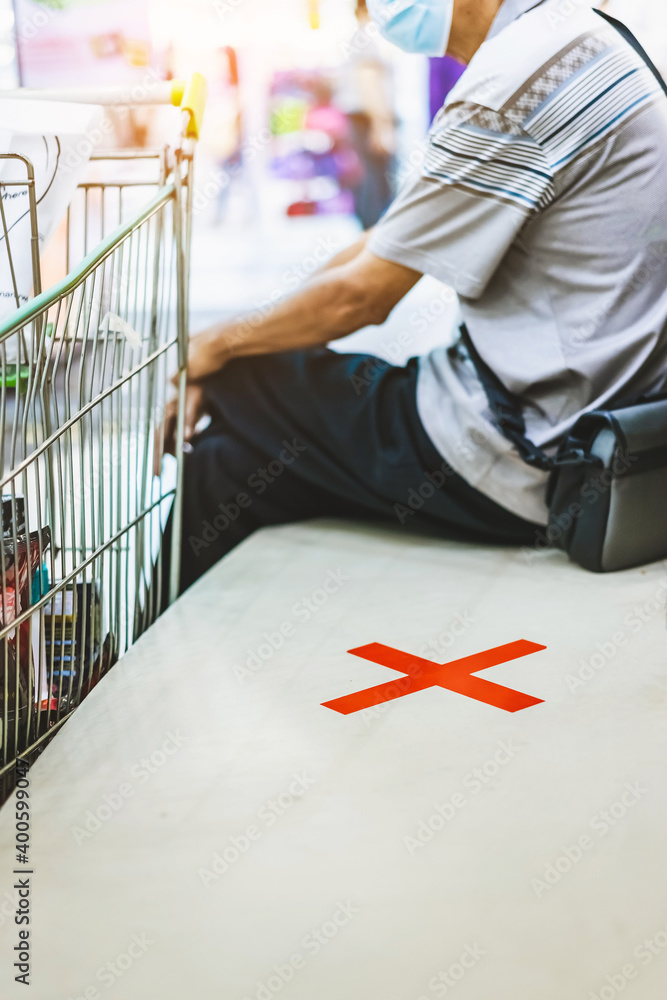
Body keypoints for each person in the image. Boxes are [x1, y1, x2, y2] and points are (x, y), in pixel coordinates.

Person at [161, 0, 667, 597]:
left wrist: (211, 350)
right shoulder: (579, 37)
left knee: (242, 382)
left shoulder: (508, 87)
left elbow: (363, 299)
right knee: (231, 465)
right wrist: (252, 328)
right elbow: (392, 239)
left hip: (535, 454)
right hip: (626, 430)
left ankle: (139, 638)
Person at [336, 0, 397, 228]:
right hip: (367, 117)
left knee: (372, 177)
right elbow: (368, 82)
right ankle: (375, 232)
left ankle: (373, 230)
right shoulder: (366, 37)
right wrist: (381, 125)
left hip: (364, 116)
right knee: (376, 179)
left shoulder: (361, 38)